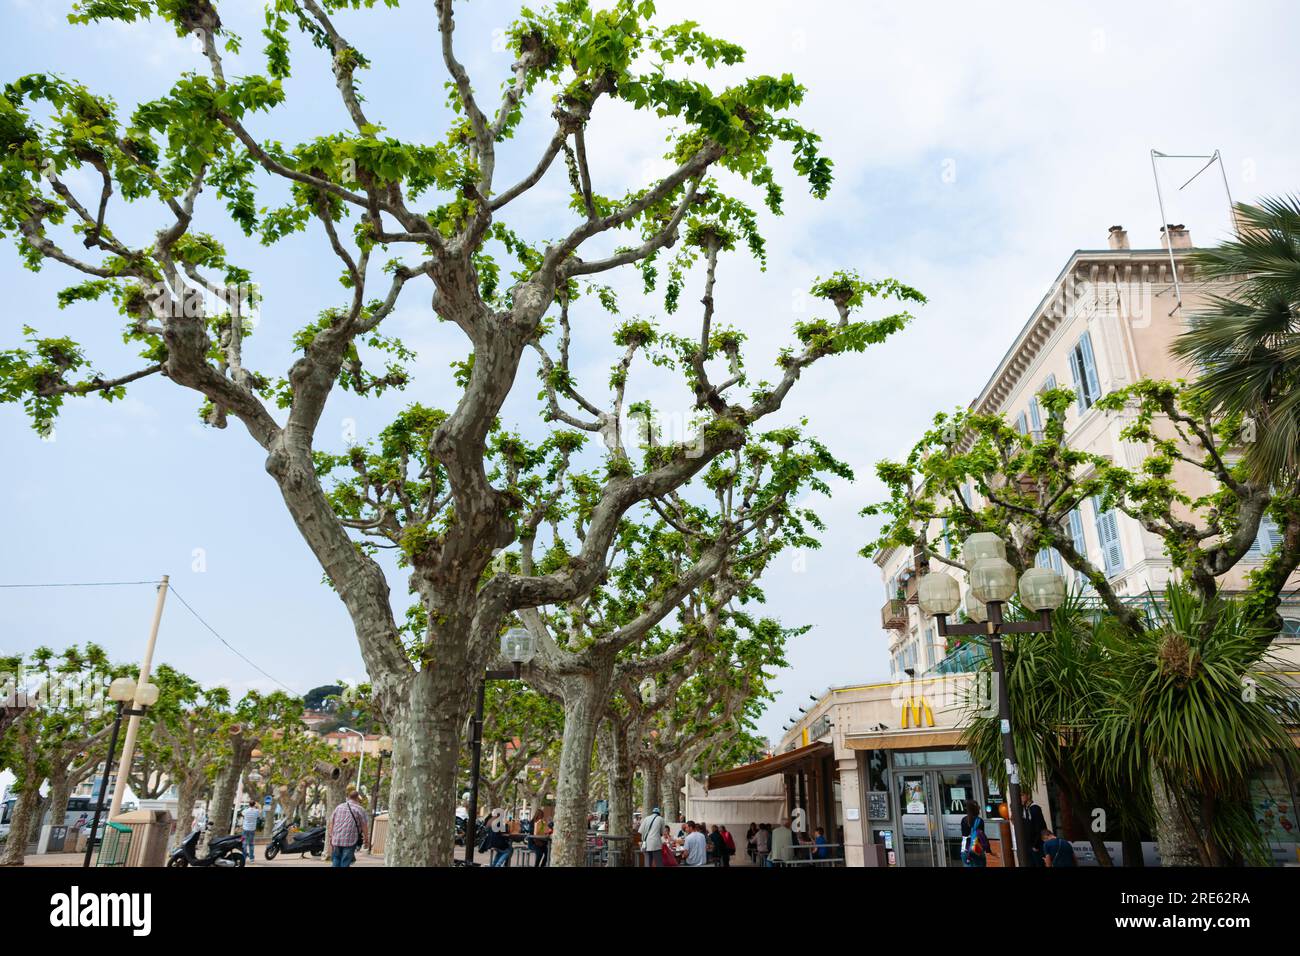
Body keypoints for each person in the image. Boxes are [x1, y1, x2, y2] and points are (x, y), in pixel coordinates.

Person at [327, 788, 369, 868]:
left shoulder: (339, 807)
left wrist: (331, 836)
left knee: (336, 860)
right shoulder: (359, 809)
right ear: (357, 798)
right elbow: (364, 826)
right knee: (345, 862)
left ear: (348, 797)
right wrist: (366, 840)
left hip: (336, 839)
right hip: (350, 840)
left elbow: (332, 822)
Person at [960, 800, 992, 868]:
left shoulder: (963, 820)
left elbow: (963, 835)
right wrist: (988, 850)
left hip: (965, 850)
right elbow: (982, 837)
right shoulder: (980, 821)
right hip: (976, 849)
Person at [1020, 792, 1048, 866]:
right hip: (1028, 845)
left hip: (1036, 846)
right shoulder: (1024, 809)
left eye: (1022, 795)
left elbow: (1040, 827)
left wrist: (1036, 845)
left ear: (1028, 795)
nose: (1020, 798)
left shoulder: (1035, 808)